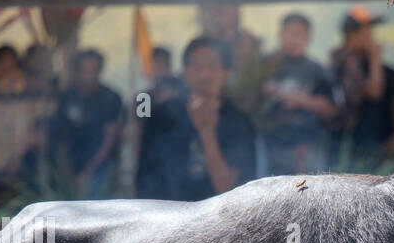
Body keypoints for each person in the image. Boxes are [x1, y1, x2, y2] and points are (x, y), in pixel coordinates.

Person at [137, 37, 256, 201]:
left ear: (226, 73)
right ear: (184, 72)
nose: (204, 74)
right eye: (196, 65)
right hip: (166, 214)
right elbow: (146, 180)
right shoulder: (160, 116)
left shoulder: (238, 123)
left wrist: (207, 132)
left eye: (212, 65)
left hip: (217, 216)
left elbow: (230, 191)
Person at [329, 7, 394, 173]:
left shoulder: (382, 71)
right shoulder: (339, 65)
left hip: (381, 152)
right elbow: (374, 92)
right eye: (366, 31)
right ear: (351, 34)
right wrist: (375, 57)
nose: (370, 36)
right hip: (346, 152)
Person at [258, 13, 338, 176]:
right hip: (271, 145)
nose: (293, 39)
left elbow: (330, 108)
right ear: (281, 35)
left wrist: (300, 100)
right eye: (290, 33)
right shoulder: (266, 66)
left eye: (299, 34)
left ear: (308, 38)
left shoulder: (316, 70)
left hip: (307, 145)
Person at [50, 49, 124, 198]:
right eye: (85, 70)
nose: (89, 76)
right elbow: (61, 135)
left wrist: (88, 172)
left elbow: (110, 139)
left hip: (101, 167)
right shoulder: (67, 97)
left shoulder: (111, 98)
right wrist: (65, 168)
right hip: (70, 166)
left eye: (94, 70)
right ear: (77, 71)